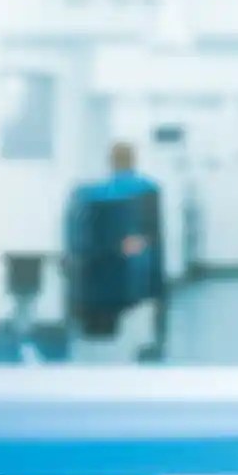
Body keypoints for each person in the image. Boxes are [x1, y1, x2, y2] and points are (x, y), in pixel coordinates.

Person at [64, 142, 167, 361]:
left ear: (110, 161)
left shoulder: (89, 193)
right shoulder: (148, 189)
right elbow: (151, 233)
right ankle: (152, 345)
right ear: (134, 160)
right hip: (139, 279)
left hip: (99, 281)